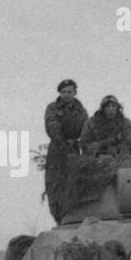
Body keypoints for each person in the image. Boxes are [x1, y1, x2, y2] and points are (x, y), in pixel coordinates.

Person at [43, 79, 88, 222]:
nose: (67, 95)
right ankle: (59, 218)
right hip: (57, 150)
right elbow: (51, 125)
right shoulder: (52, 108)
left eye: (70, 92)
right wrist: (62, 141)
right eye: (63, 92)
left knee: (73, 184)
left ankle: (71, 217)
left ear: (75, 93)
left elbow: (86, 130)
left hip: (74, 150)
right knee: (54, 184)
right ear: (59, 93)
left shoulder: (81, 110)